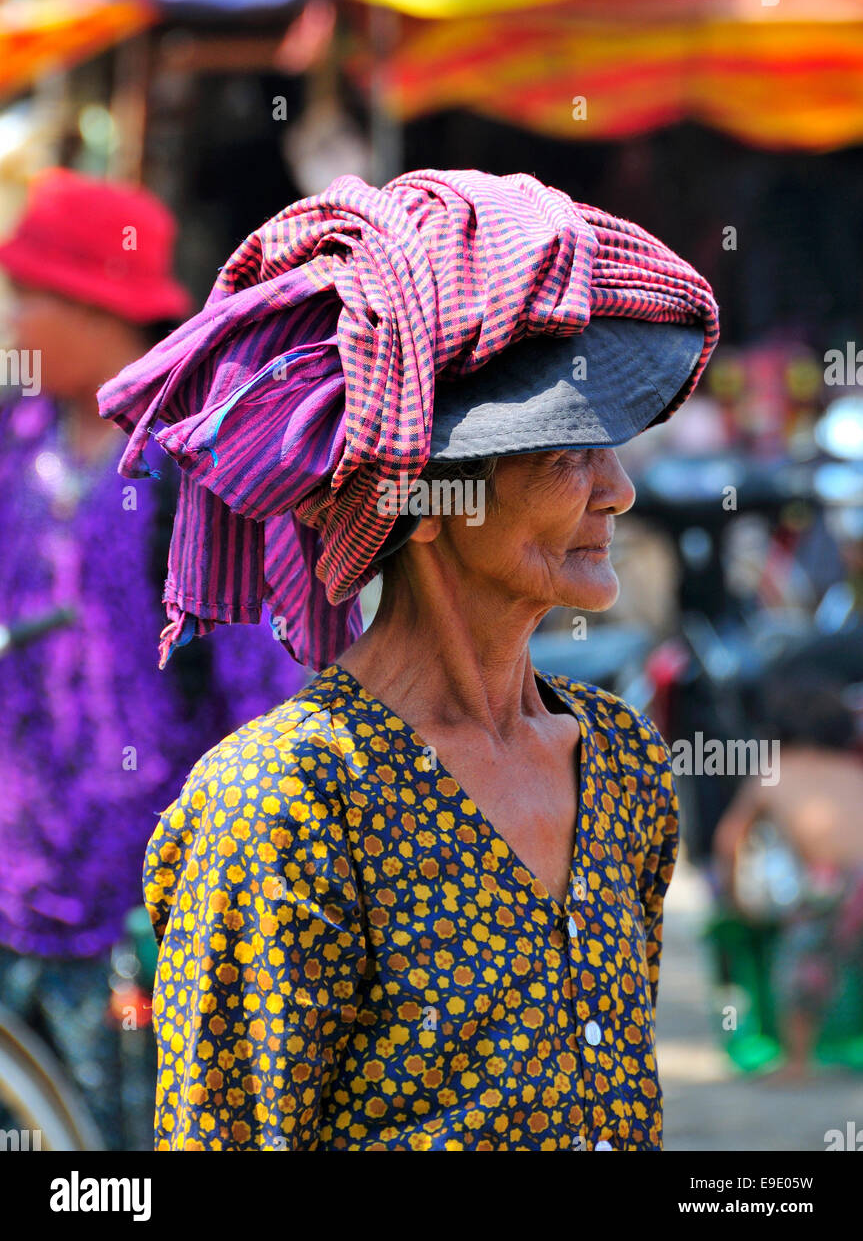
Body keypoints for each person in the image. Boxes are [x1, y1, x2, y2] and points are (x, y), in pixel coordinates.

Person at [99, 168, 720, 1151]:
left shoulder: (622, 766)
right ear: (425, 504)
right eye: (565, 454)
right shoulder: (285, 804)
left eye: (608, 449)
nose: (615, 490)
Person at [0, 168, 307, 1149]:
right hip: (10, 898)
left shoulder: (197, 469)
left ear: (94, 306)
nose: (9, 315)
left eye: (27, 294)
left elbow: (266, 706)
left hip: (149, 921)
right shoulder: (12, 442)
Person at [713, 681, 863, 1079]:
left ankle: (797, 1063)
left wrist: (731, 898)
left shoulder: (773, 772)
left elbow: (729, 841)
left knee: (801, 971)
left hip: (828, 883)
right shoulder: (852, 768)